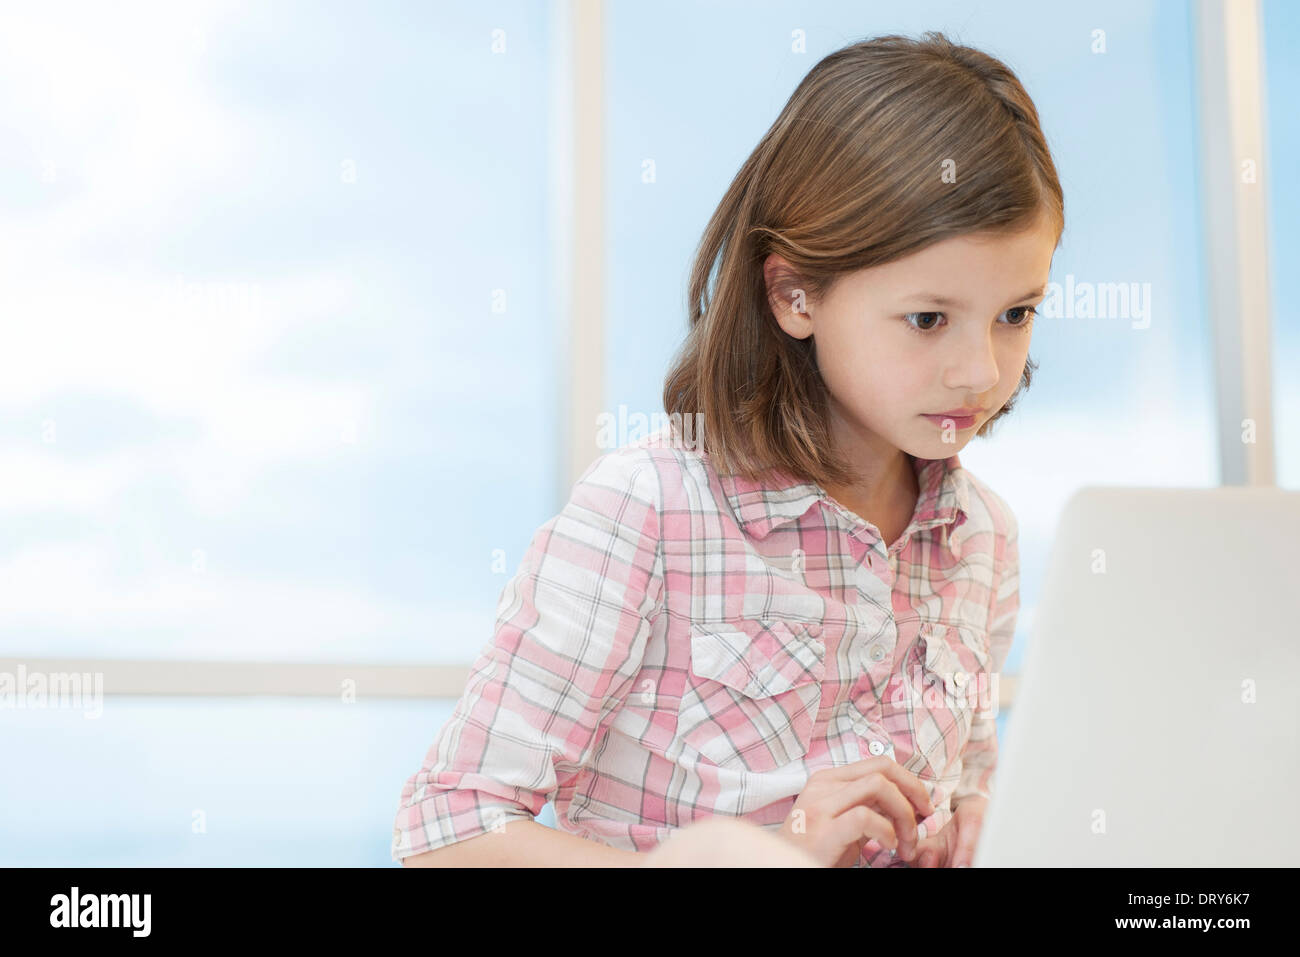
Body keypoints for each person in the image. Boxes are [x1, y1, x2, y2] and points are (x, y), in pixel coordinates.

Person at [396, 30, 1062, 868]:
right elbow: (447, 830)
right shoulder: (647, 509)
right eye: (928, 318)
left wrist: (971, 826)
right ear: (793, 294)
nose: (980, 370)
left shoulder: (985, 540)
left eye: (1016, 313)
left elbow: (968, 788)